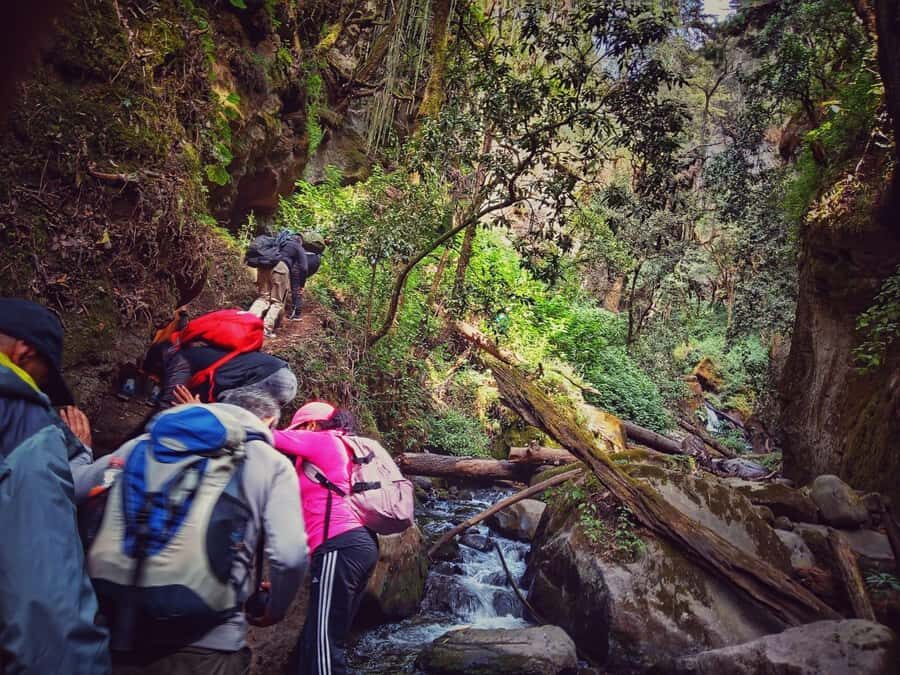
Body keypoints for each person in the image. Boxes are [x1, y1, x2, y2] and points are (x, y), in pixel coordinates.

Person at [76, 389, 308, 675]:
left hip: (118, 628)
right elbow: (290, 555)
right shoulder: (269, 462)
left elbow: (73, 487)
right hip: (208, 643)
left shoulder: (143, 444)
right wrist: (275, 609)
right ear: (270, 421)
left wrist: (80, 451)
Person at [0, 298, 110, 674]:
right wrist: (79, 455)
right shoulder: (24, 422)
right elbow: (45, 590)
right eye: (42, 377)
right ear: (23, 352)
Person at [272, 401, 379, 675]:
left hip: (340, 546)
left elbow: (266, 436)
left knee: (324, 642)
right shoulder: (344, 446)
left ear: (309, 425)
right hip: (357, 543)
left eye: (298, 428)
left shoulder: (322, 441)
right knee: (320, 636)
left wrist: (206, 413)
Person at [153, 340, 297, 409]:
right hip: (283, 374)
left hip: (269, 378)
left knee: (232, 415)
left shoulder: (179, 361)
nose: (154, 379)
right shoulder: (202, 352)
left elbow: (167, 406)